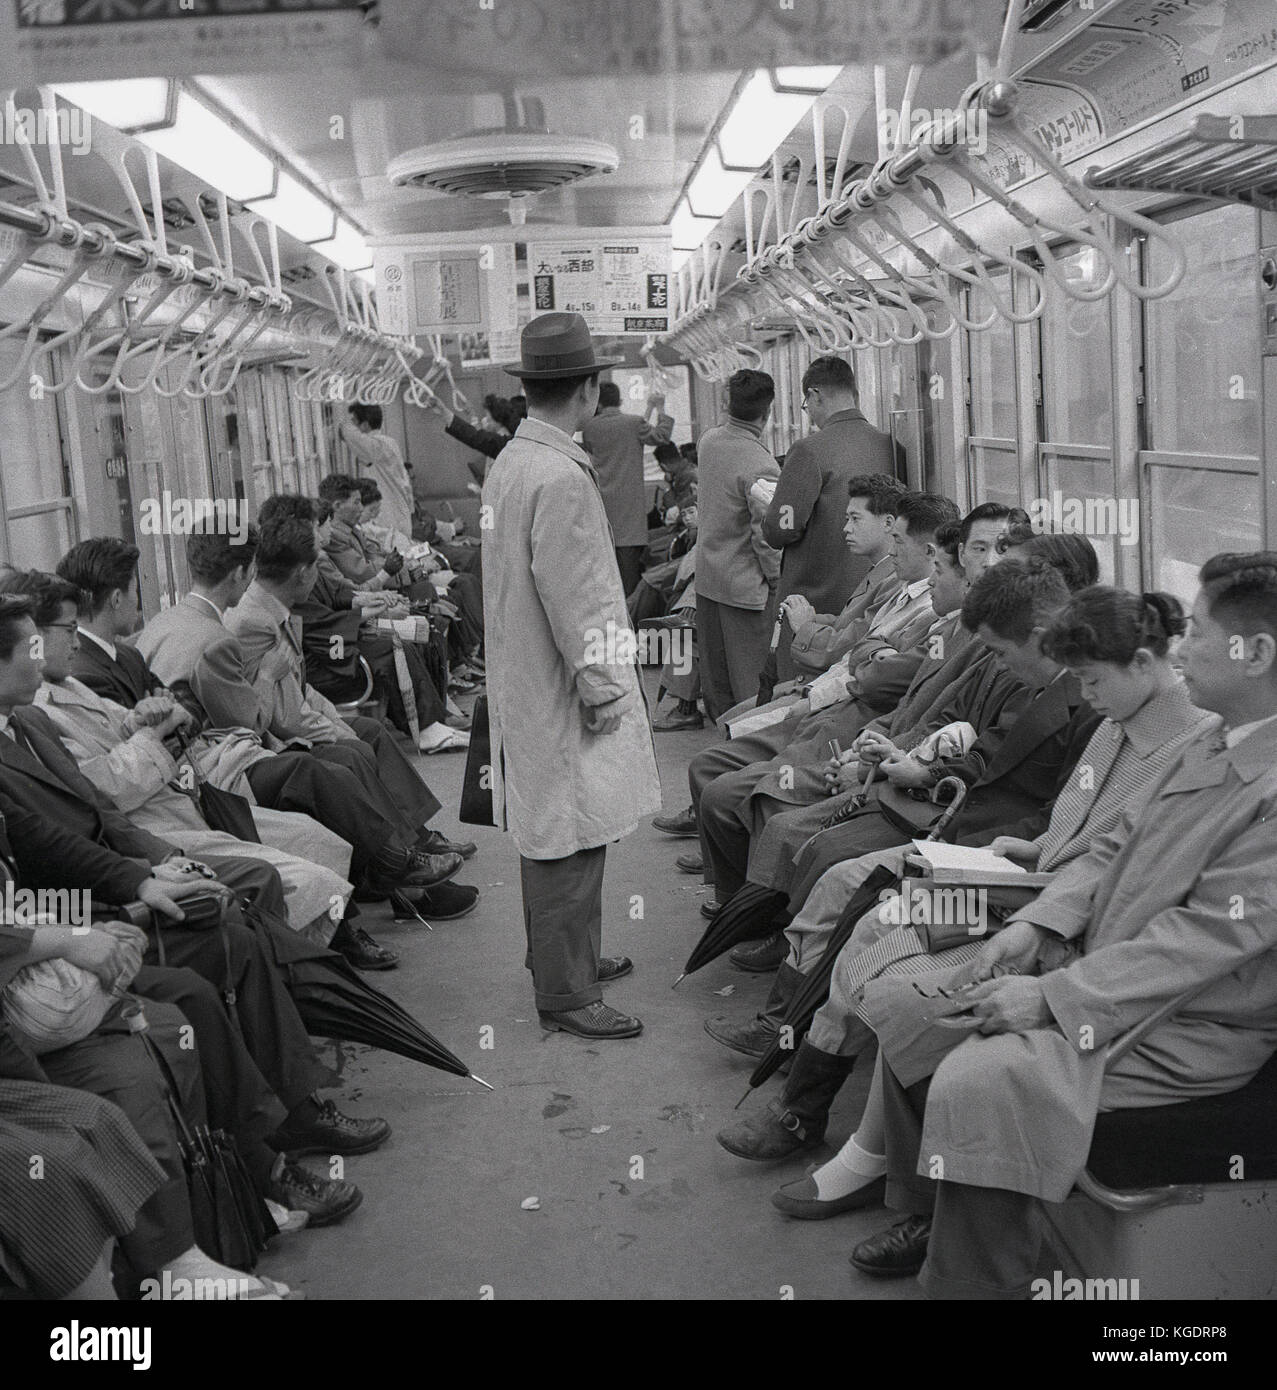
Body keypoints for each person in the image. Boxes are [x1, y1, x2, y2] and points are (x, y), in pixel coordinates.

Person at [853, 552, 1277, 1295]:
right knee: (936, 1012)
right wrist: (1037, 927)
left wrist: (1052, 998)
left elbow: (1207, 940)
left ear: (1256, 652)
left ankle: (970, 1278)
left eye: (1200, 633)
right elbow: (1111, 847)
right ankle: (956, 1234)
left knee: (978, 1074)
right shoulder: (1214, 740)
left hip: (1186, 1021)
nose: (1181, 648)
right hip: (1108, 977)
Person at [716, 587, 1211, 1174]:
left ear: (1144, 665)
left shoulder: (1186, 749)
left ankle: (847, 1135)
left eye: (1094, 680)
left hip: (1053, 912)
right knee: (879, 922)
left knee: (895, 951)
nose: (1088, 693)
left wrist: (1039, 876)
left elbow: (1126, 869)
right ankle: (806, 1107)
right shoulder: (1114, 723)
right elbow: (1090, 832)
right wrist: (1036, 847)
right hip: (1028, 883)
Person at [483, 311, 659, 1040]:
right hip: (562, 686)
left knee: (559, 826)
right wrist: (602, 686)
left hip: (526, 676)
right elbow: (576, 595)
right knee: (568, 837)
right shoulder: (558, 476)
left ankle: (566, 960)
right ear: (587, 390)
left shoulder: (513, 463)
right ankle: (565, 994)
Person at [765, 357, 898, 680]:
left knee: (796, 691)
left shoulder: (809, 450)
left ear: (815, 395)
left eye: (805, 404)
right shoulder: (891, 445)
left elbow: (779, 529)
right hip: (875, 590)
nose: (808, 412)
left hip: (815, 595)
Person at [692, 369, 782, 722]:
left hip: (709, 578)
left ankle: (721, 749)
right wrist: (776, 580)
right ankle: (746, 757)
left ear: (727, 403)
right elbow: (766, 533)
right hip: (745, 590)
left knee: (719, 682)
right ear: (768, 410)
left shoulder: (709, 441)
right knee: (749, 684)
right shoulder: (761, 464)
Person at [580, 380, 675, 595]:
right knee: (629, 578)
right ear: (620, 401)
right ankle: (629, 623)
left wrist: (649, 409)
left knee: (607, 576)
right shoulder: (633, 424)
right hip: (630, 513)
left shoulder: (589, 429)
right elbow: (660, 436)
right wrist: (659, 407)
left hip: (603, 510)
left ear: (598, 404)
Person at [340, 403, 414, 538]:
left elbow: (348, 433)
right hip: (400, 514)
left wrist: (343, 421)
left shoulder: (376, 445)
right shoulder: (390, 442)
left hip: (387, 518)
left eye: (355, 421)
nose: (354, 426)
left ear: (366, 425)